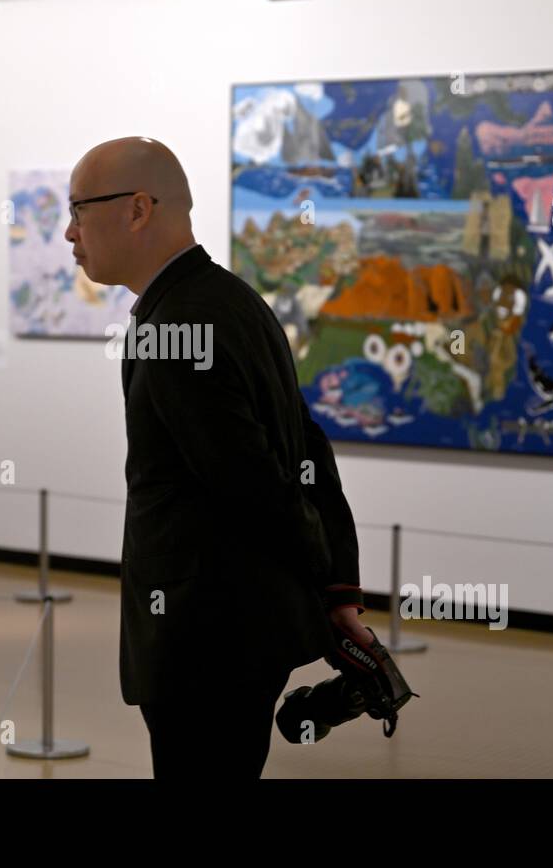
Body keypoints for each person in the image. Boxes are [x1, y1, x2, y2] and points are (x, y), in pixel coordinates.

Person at [65, 136, 366, 778]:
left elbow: (255, 485)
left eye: (80, 209)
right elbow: (308, 450)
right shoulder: (232, 300)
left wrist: (327, 589)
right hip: (238, 630)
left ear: (138, 209)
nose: (69, 232)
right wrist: (336, 586)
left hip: (204, 638)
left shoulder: (176, 329)